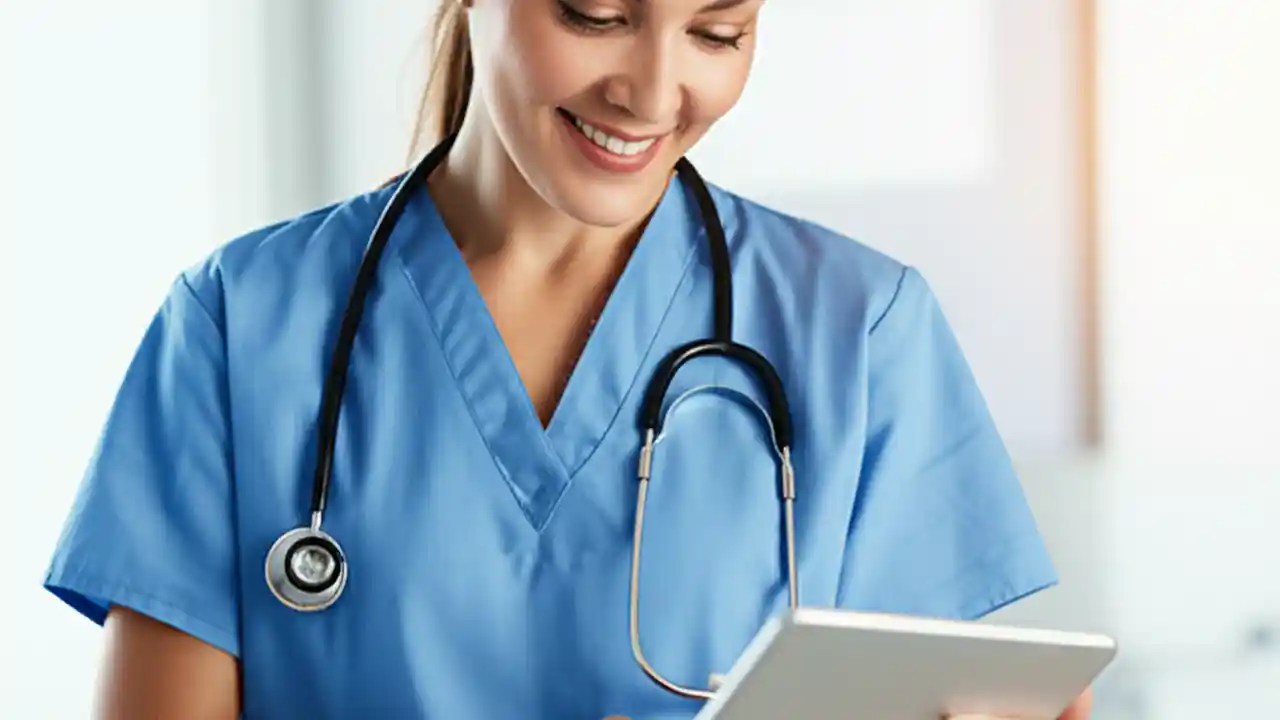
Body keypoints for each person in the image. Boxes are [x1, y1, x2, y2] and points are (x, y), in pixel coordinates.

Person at [43, 0, 1092, 718]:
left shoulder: (860, 330)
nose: (651, 92)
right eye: (596, 15)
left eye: (716, 31)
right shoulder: (239, 324)